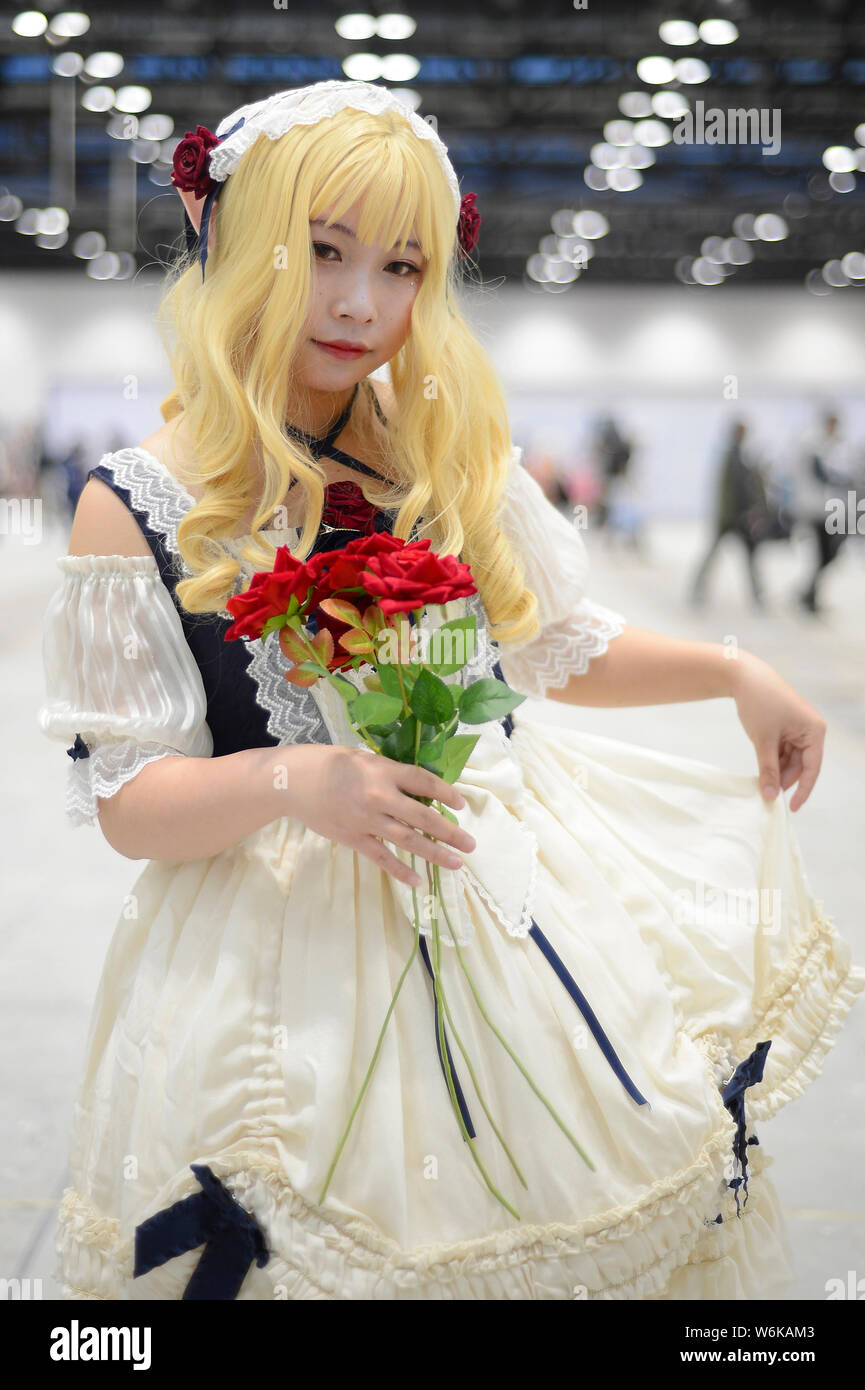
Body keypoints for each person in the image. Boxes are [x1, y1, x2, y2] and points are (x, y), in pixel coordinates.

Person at [37, 80, 864, 1302]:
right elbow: (126, 797)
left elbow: (547, 645)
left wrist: (732, 669)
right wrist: (294, 778)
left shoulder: (437, 444)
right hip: (273, 953)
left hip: (503, 905)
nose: (361, 302)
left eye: (402, 265)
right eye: (322, 251)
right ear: (241, 236)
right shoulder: (136, 500)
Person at [690, 420, 770, 609]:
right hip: (730, 518)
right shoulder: (731, 457)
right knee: (715, 555)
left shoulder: (743, 457)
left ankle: (758, 596)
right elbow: (727, 490)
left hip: (741, 518)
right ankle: (698, 590)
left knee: (749, 558)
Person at [793, 410, 855, 614]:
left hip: (827, 510)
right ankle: (809, 597)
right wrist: (844, 481)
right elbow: (822, 476)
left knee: (828, 554)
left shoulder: (829, 447)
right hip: (816, 511)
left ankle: (808, 593)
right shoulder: (814, 446)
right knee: (824, 554)